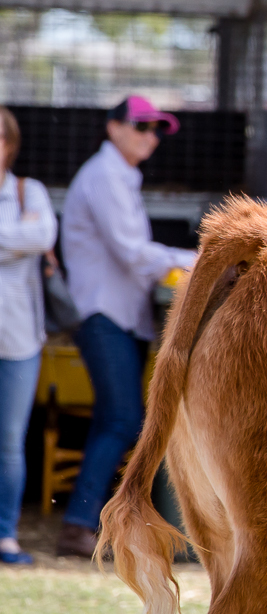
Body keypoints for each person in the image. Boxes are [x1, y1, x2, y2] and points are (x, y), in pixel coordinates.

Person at [56, 96, 197, 558]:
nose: (149, 136)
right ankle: (79, 525)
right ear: (113, 127)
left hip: (121, 315)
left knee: (117, 420)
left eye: (157, 129)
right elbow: (132, 253)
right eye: (141, 126)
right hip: (102, 314)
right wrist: (201, 261)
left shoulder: (121, 176)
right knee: (122, 420)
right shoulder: (103, 177)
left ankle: (86, 524)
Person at [0, 108, 56, 567]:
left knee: (10, 441)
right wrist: (14, 239)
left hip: (18, 337)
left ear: (10, 144)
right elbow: (27, 237)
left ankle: (6, 536)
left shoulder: (27, 191)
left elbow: (42, 235)